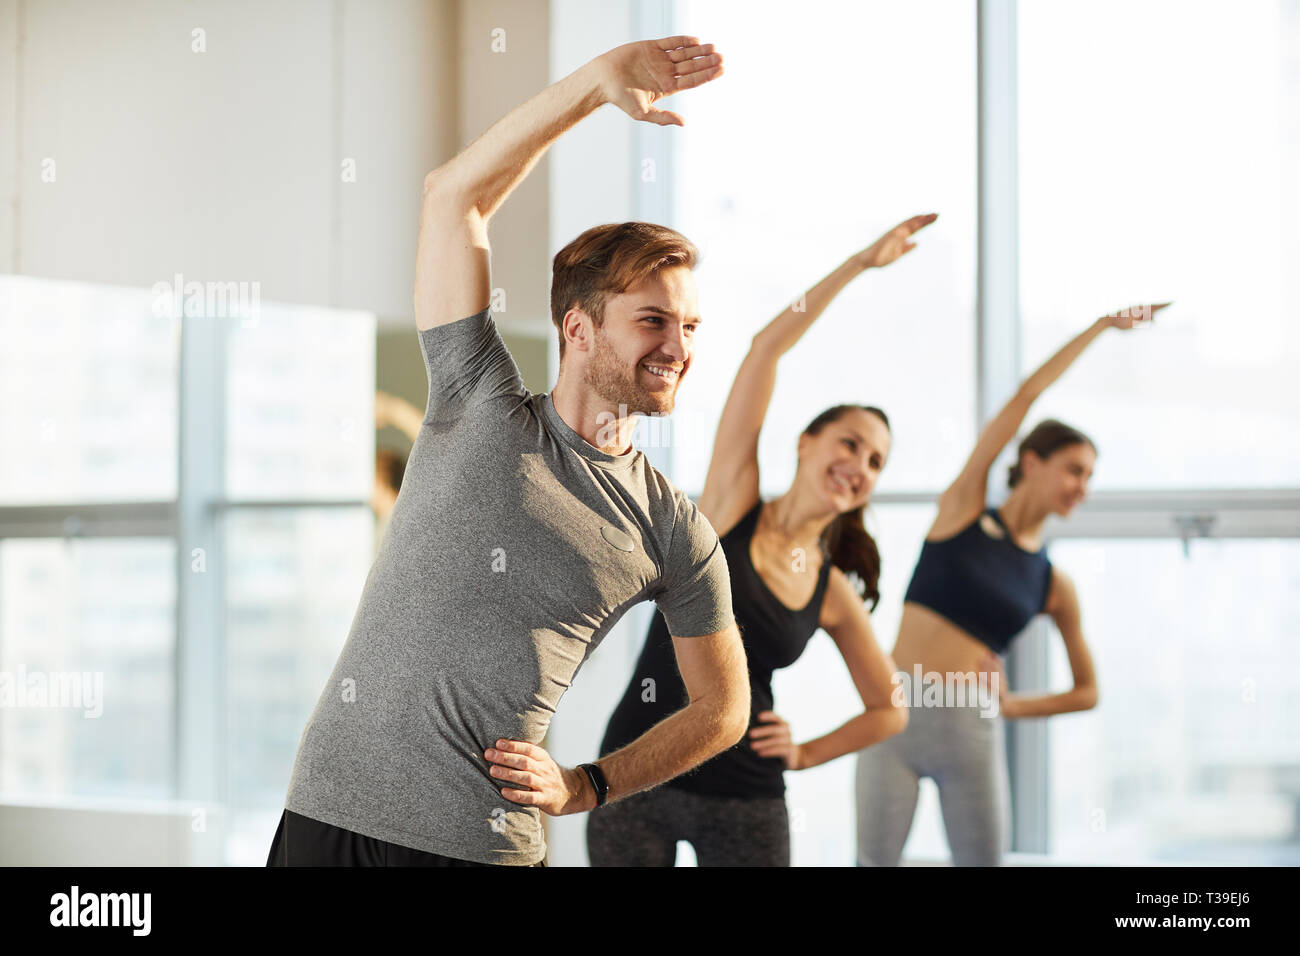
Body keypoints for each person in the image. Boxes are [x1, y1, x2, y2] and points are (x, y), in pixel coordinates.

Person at [268, 35, 752, 868]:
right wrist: (595, 86)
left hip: (471, 842)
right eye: (653, 320)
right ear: (578, 327)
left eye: (690, 327)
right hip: (323, 811)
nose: (679, 345)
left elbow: (724, 708)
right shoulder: (477, 400)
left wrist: (586, 785)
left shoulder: (671, 528)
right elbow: (452, 196)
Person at [587, 216, 936, 866]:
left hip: (745, 796)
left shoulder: (830, 589)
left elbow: (889, 710)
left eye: (876, 462)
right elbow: (764, 350)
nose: (859, 465)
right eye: (850, 444)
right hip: (637, 772)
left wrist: (806, 754)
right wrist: (860, 261)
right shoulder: (730, 503)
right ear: (807, 444)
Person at [854, 302, 1170, 866]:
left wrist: (1012, 707)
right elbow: (1026, 396)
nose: (1082, 487)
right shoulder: (964, 511)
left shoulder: (1054, 584)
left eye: (1091, 477)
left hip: (971, 729)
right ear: (1030, 461)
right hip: (895, 713)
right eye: (1074, 470)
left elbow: (1087, 691)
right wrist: (1099, 329)